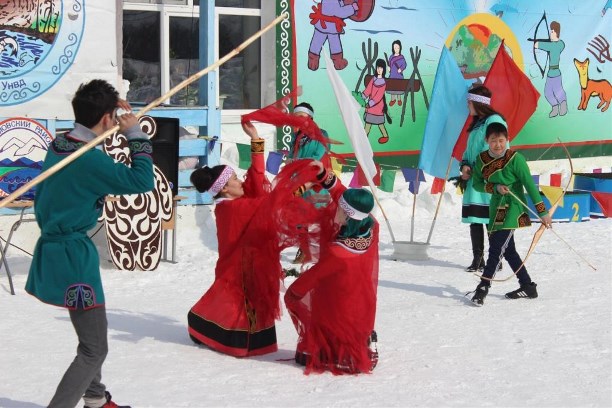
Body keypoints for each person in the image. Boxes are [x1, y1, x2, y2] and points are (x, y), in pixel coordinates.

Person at [25, 79, 155, 408]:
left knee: (89, 339)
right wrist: (135, 134)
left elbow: (92, 145)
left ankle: (95, 399)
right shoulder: (88, 160)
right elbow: (142, 181)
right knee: (94, 348)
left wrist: (108, 109)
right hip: (73, 259)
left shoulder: (61, 143)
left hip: (58, 250)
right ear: (107, 118)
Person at [187, 121, 323, 357]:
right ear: (225, 189)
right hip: (238, 268)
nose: (241, 181)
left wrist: (255, 139)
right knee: (234, 304)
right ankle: (213, 332)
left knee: (245, 303)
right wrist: (303, 186)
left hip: (249, 264)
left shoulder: (235, 201)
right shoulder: (230, 209)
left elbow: (256, 178)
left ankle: (232, 336)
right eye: (235, 180)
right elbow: (269, 203)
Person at [285, 175, 379, 375]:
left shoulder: (338, 252)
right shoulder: (371, 229)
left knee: (314, 303)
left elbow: (311, 279)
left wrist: (292, 294)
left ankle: (333, 355)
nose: (335, 208)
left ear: (347, 216)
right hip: (361, 306)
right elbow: (350, 200)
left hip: (339, 309)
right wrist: (326, 178)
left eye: (340, 208)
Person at [469, 122, 552, 306]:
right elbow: (477, 184)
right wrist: (495, 187)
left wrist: (543, 212)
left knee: (496, 249)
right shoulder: (481, 159)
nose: (497, 145)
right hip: (495, 208)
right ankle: (527, 286)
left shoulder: (516, 159)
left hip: (513, 208)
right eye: (493, 140)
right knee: (509, 251)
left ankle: (483, 287)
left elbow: (530, 185)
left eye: (501, 140)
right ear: (487, 140)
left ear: (507, 140)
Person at [460, 85, 506, 273]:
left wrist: (478, 168)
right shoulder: (477, 124)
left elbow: (498, 148)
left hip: (488, 178)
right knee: (476, 218)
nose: (467, 105)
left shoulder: (494, 121)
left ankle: (496, 259)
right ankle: (478, 259)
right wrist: (464, 165)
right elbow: (469, 150)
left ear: (478, 103)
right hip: (475, 180)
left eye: (469, 102)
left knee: (490, 219)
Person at [288, 102, 331, 263]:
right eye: (295, 117)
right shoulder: (296, 137)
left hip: (316, 182)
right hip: (298, 181)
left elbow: (316, 157)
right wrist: (290, 162)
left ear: (310, 117)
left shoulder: (321, 134)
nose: (297, 119)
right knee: (299, 216)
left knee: (322, 216)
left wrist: (295, 162)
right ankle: (304, 249)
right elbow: (291, 156)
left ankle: (328, 250)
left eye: (301, 116)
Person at [535, 21, 567, 118]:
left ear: (556, 33)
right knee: (547, 92)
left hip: (556, 73)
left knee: (558, 90)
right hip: (550, 74)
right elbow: (555, 44)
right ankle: (555, 107)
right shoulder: (559, 44)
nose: (550, 33)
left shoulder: (556, 45)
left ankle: (563, 105)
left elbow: (540, 45)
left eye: (552, 31)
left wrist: (538, 44)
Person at [363, 58, 392, 144]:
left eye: (381, 68)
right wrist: (362, 97)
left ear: (384, 69)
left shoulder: (383, 82)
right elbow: (368, 90)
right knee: (368, 124)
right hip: (370, 106)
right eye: (378, 67)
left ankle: (385, 136)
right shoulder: (373, 79)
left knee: (380, 123)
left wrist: (370, 103)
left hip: (378, 106)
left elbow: (378, 97)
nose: (379, 69)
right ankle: (363, 139)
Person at [387, 40, 407, 106]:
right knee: (392, 88)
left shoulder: (402, 57)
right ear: (393, 48)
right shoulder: (391, 57)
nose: (396, 49)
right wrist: (389, 68)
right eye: (395, 48)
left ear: (400, 48)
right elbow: (390, 65)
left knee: (398, 88)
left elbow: (404, 65)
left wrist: (401, 69)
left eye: (398, 48)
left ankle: (399, 99)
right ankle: (393, 99)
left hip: (399, 76)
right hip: (392, 75)